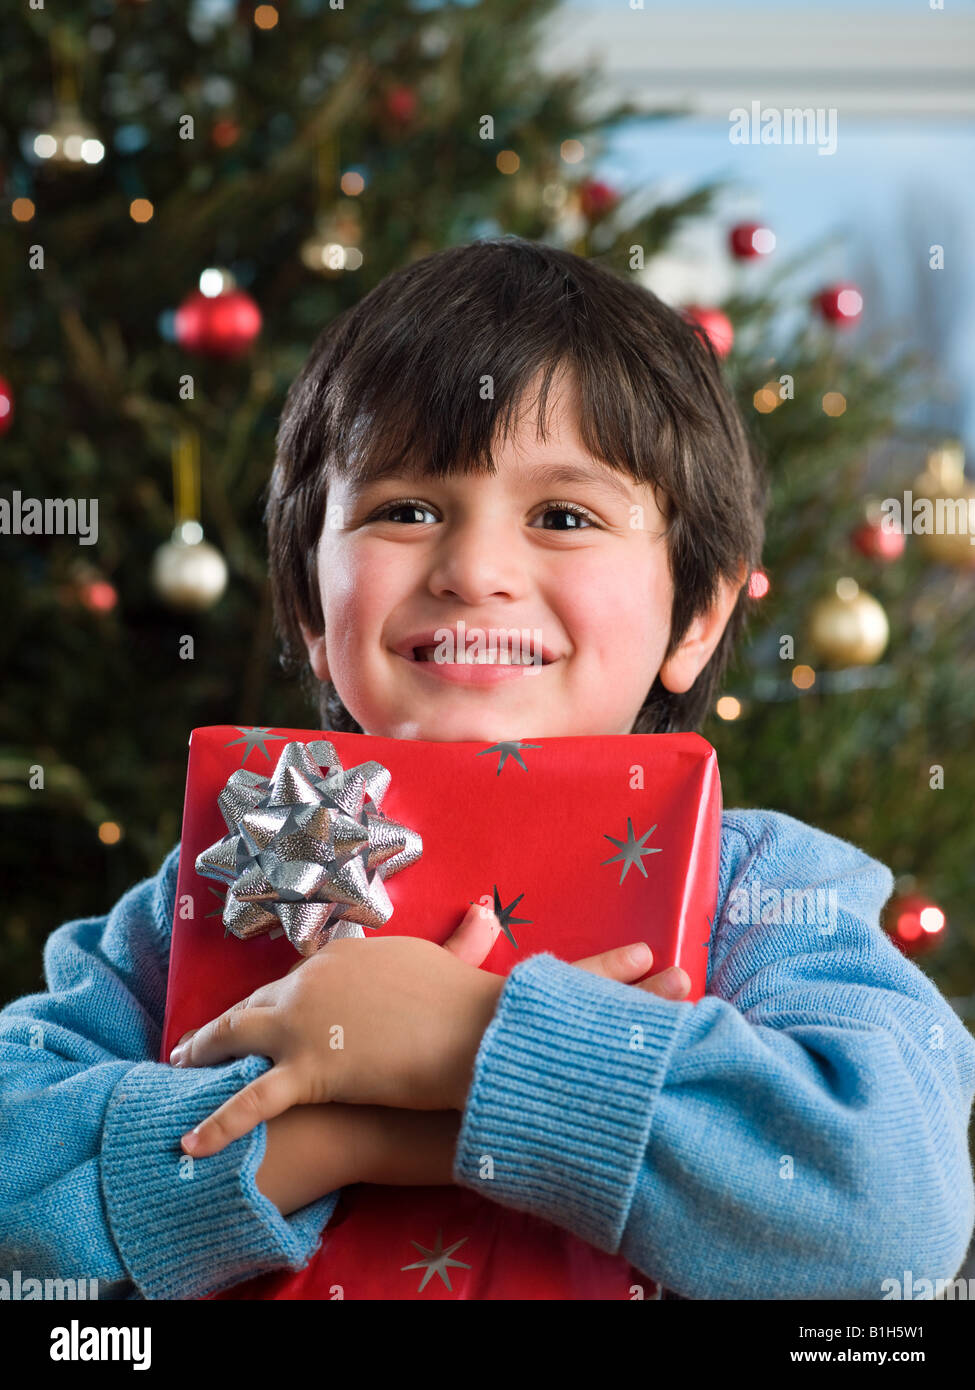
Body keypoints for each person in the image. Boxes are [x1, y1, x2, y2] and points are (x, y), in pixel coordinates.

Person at [2, 238, 972, 1301]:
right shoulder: (207, 885)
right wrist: (331, 1134)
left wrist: (469, 1045)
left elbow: (890, 1222)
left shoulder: (764, 895)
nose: (473, 571)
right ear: (314, 615)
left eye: (565, 516)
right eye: (404, 509)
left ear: (697, 613)